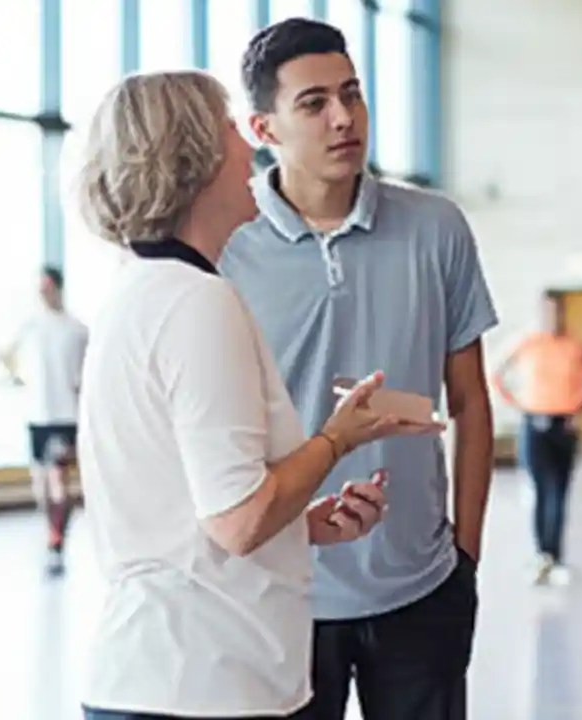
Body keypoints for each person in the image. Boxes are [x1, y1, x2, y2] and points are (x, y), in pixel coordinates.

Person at [73, 71, 442, 720]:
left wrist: (304, 525)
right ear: (195, 157)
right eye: (227, 125)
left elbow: (192, 509)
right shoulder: (194, 303)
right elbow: (238, 521)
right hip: (206, 684)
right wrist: (338, 439)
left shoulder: (141, 292)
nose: (248, 144)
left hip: (164, 676)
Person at [221, 19, 498, 720]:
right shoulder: (227, 243)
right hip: (280, 593)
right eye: (313, 103)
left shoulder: (436, 227)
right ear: (264, 128)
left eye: (352, 94)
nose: (344, 118)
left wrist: (465, 556)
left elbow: (469, 400)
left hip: (422, 591)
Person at [491, 294, 582, 585]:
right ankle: (542, 555)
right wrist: (515, 403)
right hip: (533, 423)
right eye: (545, 313)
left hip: (564, 425)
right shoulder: (527, 344)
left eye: (555, 312)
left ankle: (555, 556)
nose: (550, 318)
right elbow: (497, 372)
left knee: (558, 492)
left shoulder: (576, 346)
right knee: (541, 491)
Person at [0, 267, 88, 576]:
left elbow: (85, 376)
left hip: (65, 416)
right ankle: (52, 532)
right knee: (41, 485)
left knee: (58, 481)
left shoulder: (76, 329)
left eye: (48, 287)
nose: (44, 293)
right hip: (37, 415)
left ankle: (56, 542)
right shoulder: (29, 327)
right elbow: (4, 355)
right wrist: (18, 379)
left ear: (58, 288)